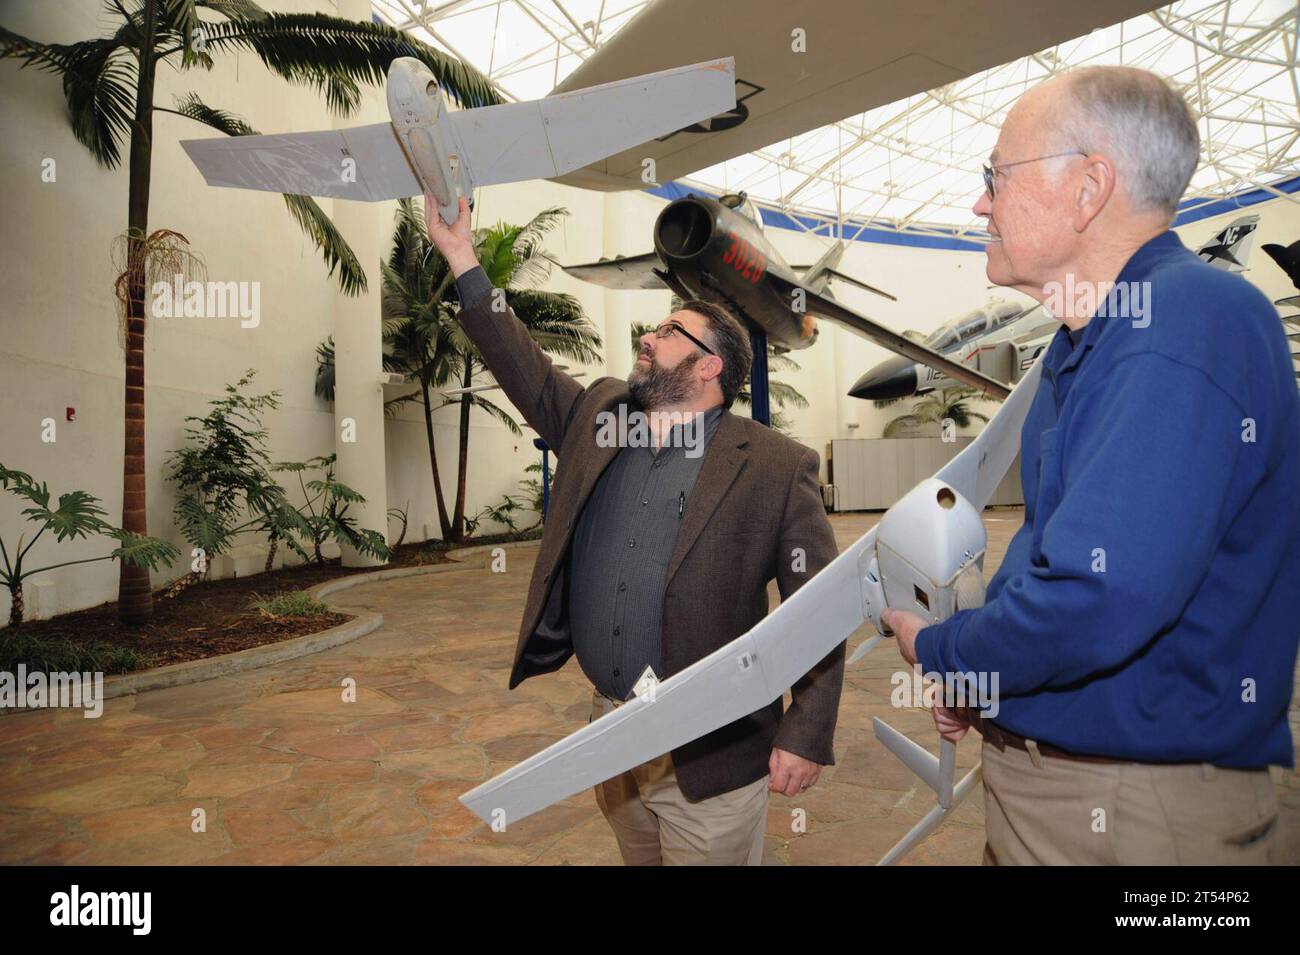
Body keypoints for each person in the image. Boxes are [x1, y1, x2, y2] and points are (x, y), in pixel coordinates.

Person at [882, 65, 1300, 865]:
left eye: (995, 176)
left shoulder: (1186, 317)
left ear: (1089, 187)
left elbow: (1100, 595)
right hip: (1073, 789)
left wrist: (944, 650)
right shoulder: (1085, 345)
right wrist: (989, 679)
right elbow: (1062, 563)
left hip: (1134, 813)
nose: (980, 204)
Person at [425, 195, 844, 865]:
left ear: (711, 366)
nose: (648, 338)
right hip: (613, 730)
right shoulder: (600, 418)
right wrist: (461, 257)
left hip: (712, 749)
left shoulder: (774, 465)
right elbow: (522, 364)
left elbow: (819, 610)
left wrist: (806, 729)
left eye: (671, 332)